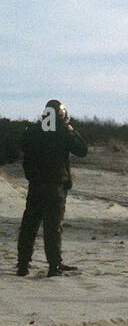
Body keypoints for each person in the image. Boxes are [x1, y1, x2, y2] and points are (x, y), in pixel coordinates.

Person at [17, 100, 88, 277]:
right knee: (52, 227)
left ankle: (23, 265)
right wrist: (71, 130)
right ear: (61, 115)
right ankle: (54, 266)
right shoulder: (64, 131)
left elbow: (23, 147)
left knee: (29, 226)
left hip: (36, 184)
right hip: (55, 185)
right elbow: (82, 150)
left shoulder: (33, 130)